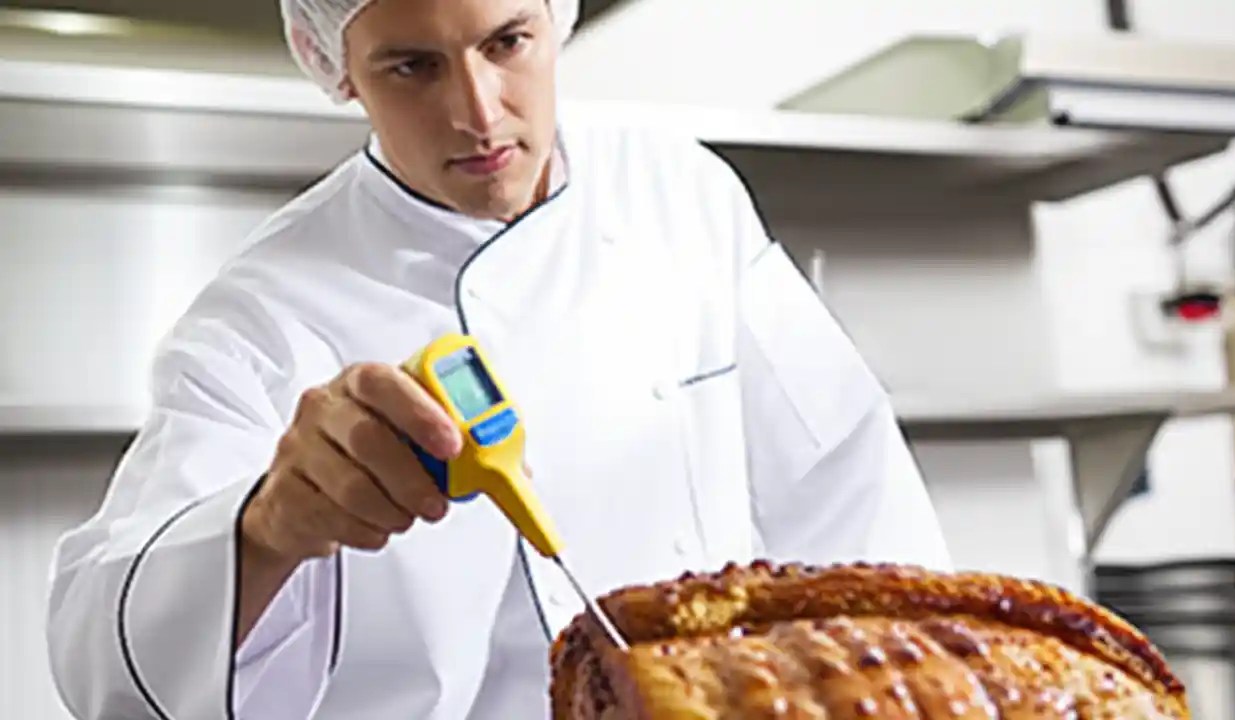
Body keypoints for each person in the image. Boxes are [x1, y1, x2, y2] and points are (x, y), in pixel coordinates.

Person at [44, 0, 951, 717]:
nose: (478, 113)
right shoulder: (263, 316)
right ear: (338, 70)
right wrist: (270, 527)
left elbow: (848, 491)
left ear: (557, 18)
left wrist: (922, 686)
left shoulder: (681, 194)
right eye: (413, 66)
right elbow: (106, 659)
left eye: (507, 42)